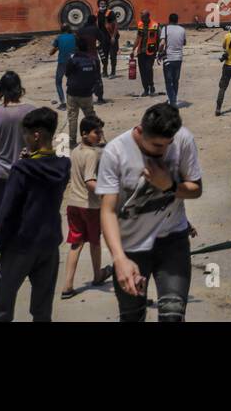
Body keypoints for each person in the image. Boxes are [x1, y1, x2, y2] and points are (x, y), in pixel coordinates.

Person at [99, 103, 203, 323]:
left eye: (168, 143)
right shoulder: (115, 152)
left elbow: (196, 189)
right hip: (131, 246)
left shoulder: (183, 139)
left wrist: (170, 186)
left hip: (173, 241)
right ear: (139, 132)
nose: (163, 150)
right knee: (132, 317)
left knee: (173, 316)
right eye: (157, 145)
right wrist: (119, 259)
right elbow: (107, 211)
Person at [0, 107, 71, 322]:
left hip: (20, 244)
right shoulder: (63, 166)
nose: (24, 139)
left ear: (36, 135)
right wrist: (30, 157)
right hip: (50, 243)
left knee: (2, 307)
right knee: (42, 309)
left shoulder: (21, 170)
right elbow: (45, 166)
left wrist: (0, 240)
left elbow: (8, 211)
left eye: (26, 135)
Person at [0, 71, 36, 253]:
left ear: (1, 90)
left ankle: (3, 243)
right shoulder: (31, 112)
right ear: (20, 89)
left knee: (2, 211)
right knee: (24, 208)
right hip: (25, 170)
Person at [61, 117, 111, 299]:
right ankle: (98, 275)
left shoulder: (75, 151)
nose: (99, 136)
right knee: (95, 242)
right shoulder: (92, 154)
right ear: (84, 133)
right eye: (96, 132)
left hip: (73, 203)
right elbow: (90, 180)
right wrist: (106, 193)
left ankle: (67, 286)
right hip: (90, 206)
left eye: (100, 132)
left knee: (76, 244)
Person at [63, 37, 102, 146]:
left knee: (72, 117)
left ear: (77, 47)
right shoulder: (92, 59)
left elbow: (67, 73)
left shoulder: (73, 59)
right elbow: (96, 75)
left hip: (72, 93)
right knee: (90, 116)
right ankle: (96, 137)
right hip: (87, 93)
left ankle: (72, 141)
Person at [131, 9, 161, 98]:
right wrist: (133, 49)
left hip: (151, 51)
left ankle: (151, 85)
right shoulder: (140, 25)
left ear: (148, 17)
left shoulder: (155, 25)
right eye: (141, 17)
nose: (142, 19)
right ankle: (145, 89)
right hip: (141, 51)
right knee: (142, 71)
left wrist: (159, 51)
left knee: (148, 69)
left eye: (143, 17)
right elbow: (138, 38)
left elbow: (160, 39)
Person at [160, 13, 187, 107]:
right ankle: (173, 98)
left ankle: (172, 100)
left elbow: (162, 43)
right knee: (176, 80)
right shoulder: (182, 29)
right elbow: (184, 42)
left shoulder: (165, 29)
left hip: (168, 58)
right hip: (178, 58)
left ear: (169, 20)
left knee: (168, 81)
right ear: (177, 20)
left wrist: (159, 53)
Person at [50, 25, 77, 107]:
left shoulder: (59, 38)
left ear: (61, 30)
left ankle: (63, 103)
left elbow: (52, 51)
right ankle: (74, 101)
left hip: (62, 62)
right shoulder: (74, 36)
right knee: (72, 81)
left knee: (58, 82)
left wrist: (53, 51)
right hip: (73, 61)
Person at [100, 7, 121, 79]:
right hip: (104, 39)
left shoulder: (111, 14)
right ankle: (104, 71)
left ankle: (113, 72)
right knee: (104, 56)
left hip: (112, 39)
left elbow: (116, 26)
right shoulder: (98, 14)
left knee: (113, 55)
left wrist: (113, 37)